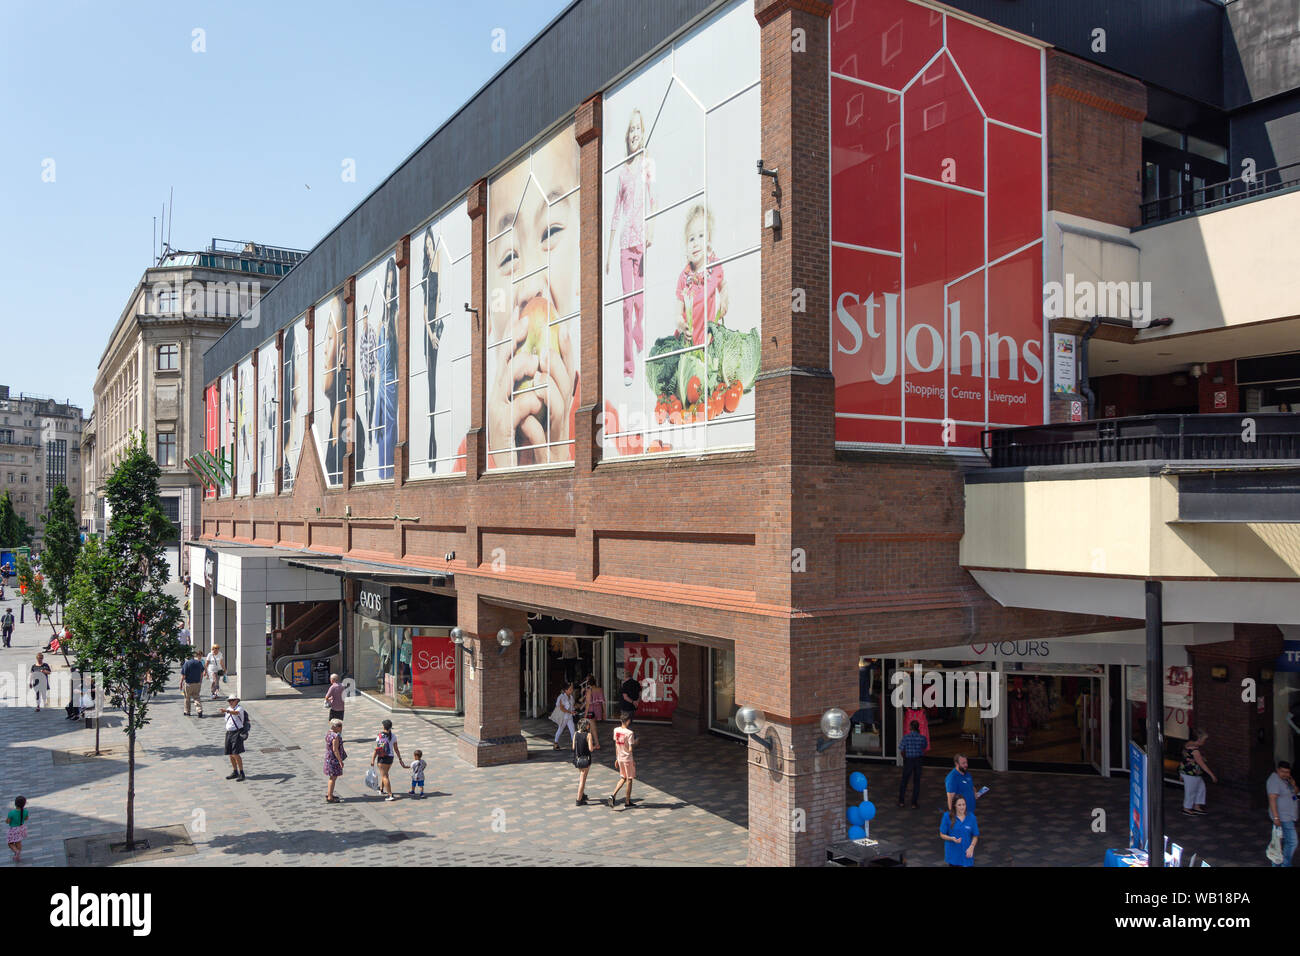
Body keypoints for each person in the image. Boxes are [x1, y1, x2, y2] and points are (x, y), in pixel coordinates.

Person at [605, 108, 655, 386]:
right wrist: (610, 254)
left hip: (642, 243)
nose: (634, 134)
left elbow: (654, 199)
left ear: (643, 133)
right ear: (627, 136)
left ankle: (639, 333)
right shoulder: (622, 174)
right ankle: (628, 367)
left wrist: (652, 230)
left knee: (640, 302)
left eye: (638, 129)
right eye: (631, 130)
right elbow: (614, 213)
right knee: (626, 305)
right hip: (625, 244)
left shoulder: (647, 166)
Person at [675, 203, 728, 347]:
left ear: (708, 241)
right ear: (686, 245)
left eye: (701, 236)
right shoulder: (684, 277)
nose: (695, 243)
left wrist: (724, 300)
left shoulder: (714, 266)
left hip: (707, 339)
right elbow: (678, 313)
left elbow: (723, 285)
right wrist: (682, 325)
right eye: (691, 239)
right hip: (688, 342)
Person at [1266, 760, 1297, 867]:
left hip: (1289, 817)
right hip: (1283, 818)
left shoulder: (1286, 781)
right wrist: (1276, 817)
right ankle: (1285, 864)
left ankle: (1278, 864)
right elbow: (1272, 799)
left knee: (1280, 843)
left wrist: (1294, 786)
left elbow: (1296, 796)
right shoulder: (1274, 780)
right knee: (1292, 841)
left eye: (1287, 772)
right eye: (1283, 772)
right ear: (1277, 770)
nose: (1285, 774)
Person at [1180, 730, 1217, 816]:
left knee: (1201, 788)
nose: (1204, 742)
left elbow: (1185, 758)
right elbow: (1202, 765)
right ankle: (1186, 808)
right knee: (1191, 790)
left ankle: (1197, 806)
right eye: (1204, 740)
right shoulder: (1196, 751)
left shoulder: (1187, 745)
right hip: (1191, 773)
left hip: (1189, 772)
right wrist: (1212, 775)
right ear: (1199, 740)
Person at [370, 718, 406, 801]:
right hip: (390, 757)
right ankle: (381, 789)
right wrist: (400, 759)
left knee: (385, 776)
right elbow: (396, 749)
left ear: (383, 727)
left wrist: (372, 759)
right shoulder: (393, 736)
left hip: (382, 758)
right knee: (385, 774)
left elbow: (377, 749)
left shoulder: (380, 736)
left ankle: (390, 795)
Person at [939, 795, 979, 866]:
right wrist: (951, 838)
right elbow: (942, 834)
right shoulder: (947, 817)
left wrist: (972, 847)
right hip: (953, 856)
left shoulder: (971, 817)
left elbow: (975, 835)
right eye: (959, 805)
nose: (962, 807)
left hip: (967, 854)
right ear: (955, 806)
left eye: (964, 804)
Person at [608, 712, 636, 809]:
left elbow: (616, 745)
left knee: (623, 777)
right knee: (629, 779)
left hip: (619, 758)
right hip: (627, 759)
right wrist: (636, 742)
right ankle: (627, 801)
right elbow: (630, 749)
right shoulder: (630, 733)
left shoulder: (616, 730)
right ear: (628, 721)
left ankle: (613, 795)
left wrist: (616, 758)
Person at [898, 719, 927, 808]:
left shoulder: (906, 737)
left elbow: (901, 750)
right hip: (918, 760)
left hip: (909, 760)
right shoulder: (922, 738)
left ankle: (901, 802)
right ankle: (914, 803)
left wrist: (905, 758)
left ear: (910, 727)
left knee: (904, 781)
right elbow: (924, 747)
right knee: (916, 782)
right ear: (918, 727)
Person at [219, 693, 247, 781]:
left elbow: (236, 713)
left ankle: (242, 772)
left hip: (237, 733)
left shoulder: (239, 708)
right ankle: (235, 771)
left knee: (236, 753)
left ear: (236, 701)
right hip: (229, 733)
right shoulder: (228, 709)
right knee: (230, 753)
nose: (230, 702)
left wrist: (226, 711)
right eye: (229, 701)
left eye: (232, 700)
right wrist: (227, 711)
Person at [573, 718, 596, 806]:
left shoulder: (575, 733)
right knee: (582, 779)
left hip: (578, 759)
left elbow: (573, 747)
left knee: (582, 777)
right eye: (588, 724)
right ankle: (579, 799)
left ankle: (582, 794)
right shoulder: (588, 735)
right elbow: (591, 749)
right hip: (586, 759)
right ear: (586, 726)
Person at [324, 719, 346, 803]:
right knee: (333, 777)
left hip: (328, 758)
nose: (341, 728)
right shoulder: (335, 736)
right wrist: (340, 761)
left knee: (332, 777)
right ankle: (330, 796)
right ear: (336, 727)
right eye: (340, 726)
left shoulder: (329, 733)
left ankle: (330, 793)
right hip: (333, 759)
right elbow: (335, 749)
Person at [179, 649, 206, 717]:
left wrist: (181, 683)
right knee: (196, 697)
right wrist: (200, 681)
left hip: (188, 683)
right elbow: (202, 673)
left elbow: (183, 675)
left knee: (187, 698)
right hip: (197, 683)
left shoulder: (187, 663)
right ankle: (199, 710)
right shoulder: (199, 663)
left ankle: (187, 711)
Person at [552, 682, 577, 750]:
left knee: (573, 731)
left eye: (572, 689)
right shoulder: (562, 697)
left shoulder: (571, 697)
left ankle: (574, 746)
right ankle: (555, 743)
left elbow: (572, 706)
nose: (571, 690)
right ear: (566, 690)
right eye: (570, 689)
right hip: (564, 717)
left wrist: (574, 710)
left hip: (569, 717)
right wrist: (570, 712)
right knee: (560, 729)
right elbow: (562, 708)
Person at [7, 796, 29, 864]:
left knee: (10, 843)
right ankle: (18, 855)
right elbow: (26, 819)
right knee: (18, 842)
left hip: (13, 829)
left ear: (15, 803)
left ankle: (16, 851)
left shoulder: (12, 813)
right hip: (21, 828)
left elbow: (7, 821)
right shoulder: (25, 811)